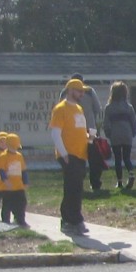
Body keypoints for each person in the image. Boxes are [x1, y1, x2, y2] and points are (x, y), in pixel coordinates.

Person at [49, 77, 91, 235]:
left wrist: (89, 138)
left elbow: (78, 130)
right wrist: (64, 153)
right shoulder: (61, 108)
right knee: (72, 188)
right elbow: (55, 133)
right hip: (69, 154)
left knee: (77, 188)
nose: (81, 93)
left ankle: (73, 219)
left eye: (82, 91)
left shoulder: (79, 109)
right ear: (70, 90)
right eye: (79, 91)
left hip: (81, 153)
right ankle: (71, 220)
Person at [61, 74, 106, 192]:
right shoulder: (90, 92)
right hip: (90, 129)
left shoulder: (65, 93)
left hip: (74, 131)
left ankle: (79, 180)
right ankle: (95, 182)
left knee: (77, 155)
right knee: (93, 155)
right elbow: (98, 109)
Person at [103, 81, 136, 190]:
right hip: (127, 133)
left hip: (115, 134)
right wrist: (133, 132)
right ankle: (131, 173)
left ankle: (119, 182)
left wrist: (108, 133)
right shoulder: (129, 107)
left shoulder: (109, 107)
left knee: (118, 158)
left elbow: (106, 123)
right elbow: (133, 121)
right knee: (127, 157)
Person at [0, 133, 28, 227]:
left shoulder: (19, 156)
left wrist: (26, 181)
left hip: (18, 185)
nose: (15, 149)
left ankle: (20, 219)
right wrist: (5, 181)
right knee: (7, 204)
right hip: (8, 187)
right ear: (8, 145)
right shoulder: (3, 156)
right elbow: (1, 170)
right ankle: (5, 221)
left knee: (22, 203)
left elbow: (23, 170)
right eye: (12, 147)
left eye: (16, 147)